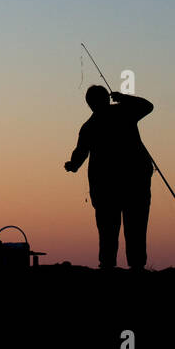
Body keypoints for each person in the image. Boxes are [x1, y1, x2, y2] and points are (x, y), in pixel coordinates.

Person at [64, 86, 155, 270]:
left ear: (89, 104)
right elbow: (147, 106)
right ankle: (135, 266)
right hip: (134, 184)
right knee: (135, 227)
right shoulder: (124, 112)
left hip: (106, 188)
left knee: (108, 229)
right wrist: (124, 99)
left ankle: (108, 265)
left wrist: (72, 165)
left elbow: (80, 153)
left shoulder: (90, 126)